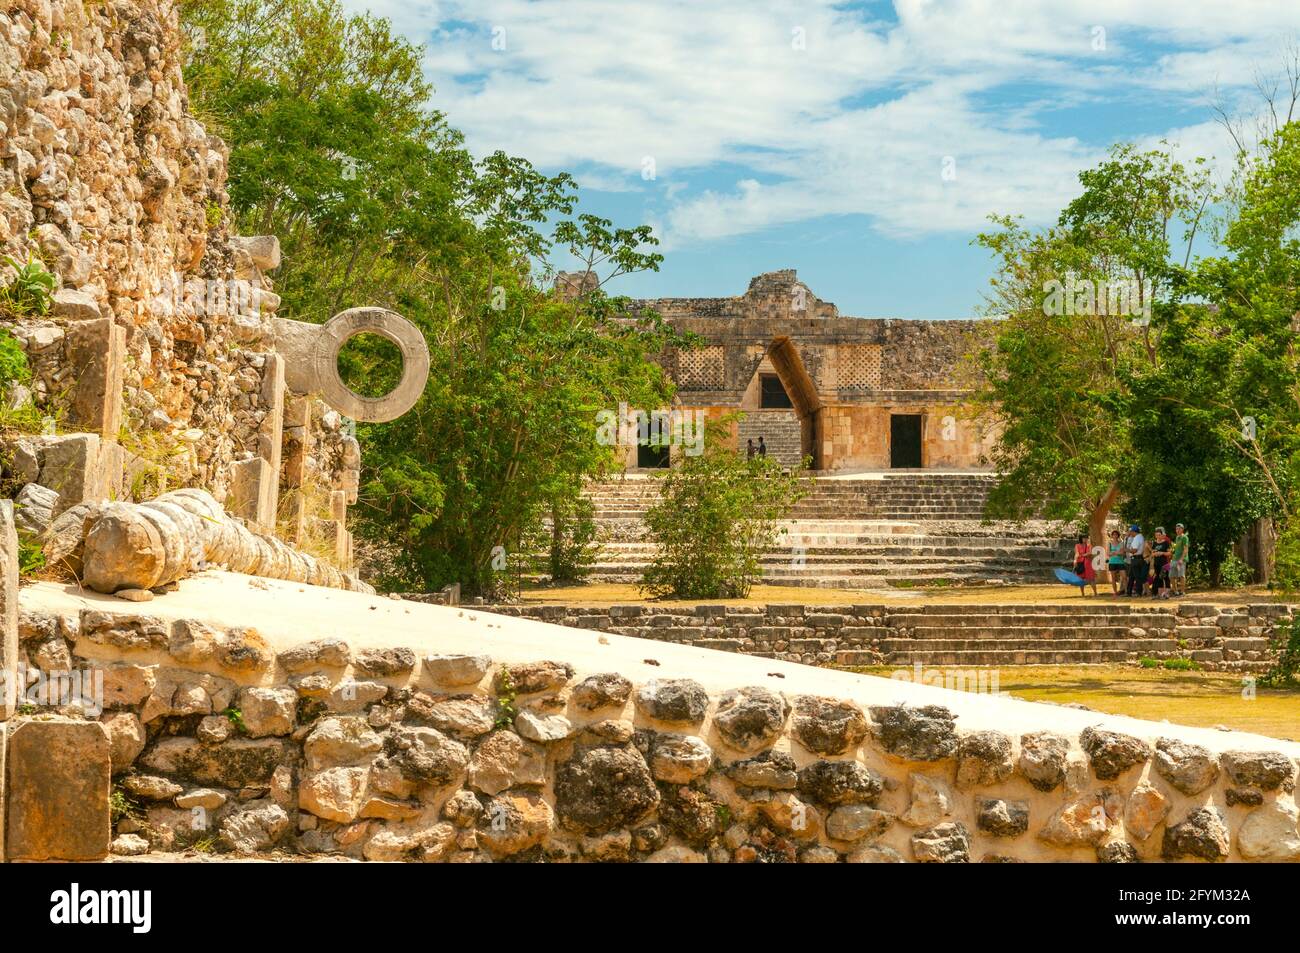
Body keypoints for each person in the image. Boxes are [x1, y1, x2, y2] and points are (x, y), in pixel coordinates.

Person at [1150, 527, 1172, 599]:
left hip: (1165, 563)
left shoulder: (1166, 543)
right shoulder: (1154, 543)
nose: (1158, 536)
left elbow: (1169, 553)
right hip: (1157, 564)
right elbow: (1152, 554)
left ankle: (1167, 594)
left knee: (1166, 578)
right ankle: (1160, 595)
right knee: (1159, 578)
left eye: (1159, 535)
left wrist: (1162, 553)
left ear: (1162, 535)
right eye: (1156, 535)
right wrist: (1155, 554)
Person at [1125, 524, 1147, 596]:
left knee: (1137, 577)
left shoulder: (1137, 538)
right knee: (1131, 576)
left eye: (1130, 531)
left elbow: (1134, 550)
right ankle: (1128, 592)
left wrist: (1126, 550)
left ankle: (1138, 592)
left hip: (1135, 559)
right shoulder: (1140, 537)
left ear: (1134, 531)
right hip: (1138, 558)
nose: (1130, 533)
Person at [1169, 523, 1190, 597]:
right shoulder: (1177, 537)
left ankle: (1182, 592)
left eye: (1179, 529)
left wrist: (1181, 559)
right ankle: (1175, 592)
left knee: (1181, 575)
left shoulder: (1184, 537)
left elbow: (1186, 549)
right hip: (1174, 559)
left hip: (1181, 559)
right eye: (1176, 529)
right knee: (1171, 575)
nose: (1177, 530)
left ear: (1182, 529)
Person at [1106, 529, 1127, 595]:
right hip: (1112, 562)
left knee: (1124, 577)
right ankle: (1115, 592)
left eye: (1116, 534)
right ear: (1111, 536)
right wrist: (1117, 552)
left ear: (1118, 535)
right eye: (1113, 534)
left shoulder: (1121, 543)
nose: (1115, 536)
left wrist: (1114, 552)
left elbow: (1123, 553)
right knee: (1113, 578)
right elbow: (1108, 553)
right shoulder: (1109, 543)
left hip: (1120, 562)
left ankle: (1126, 591)